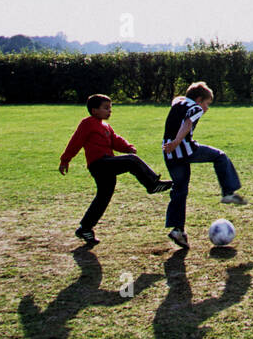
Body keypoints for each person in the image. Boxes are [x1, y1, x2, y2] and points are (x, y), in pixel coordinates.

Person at [60, 94, 172, 247]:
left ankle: (85, 228)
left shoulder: (105, 126)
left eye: (110, 108)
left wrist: (127, 147)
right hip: (99, 164)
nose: (109, 111)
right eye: (105, 108)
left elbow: (115, 140)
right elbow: (76, 141)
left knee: (103, 198)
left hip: (108, 165)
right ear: (94, 110)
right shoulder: (88, 123)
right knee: (131, 161)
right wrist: (65, 160)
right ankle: (152, 184)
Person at [162, 81, 246, 249]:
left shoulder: (178, 101)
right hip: (185, 149)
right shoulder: (195, 107)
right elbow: (187, 122)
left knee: (179, 190)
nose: (207, 108)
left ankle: (178, 230)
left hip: (169, 152)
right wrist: (178, 141)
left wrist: (173, 144)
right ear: (199, 100)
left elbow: (177, 101)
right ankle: (228, 192)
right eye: (207, 104)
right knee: (220, 156)